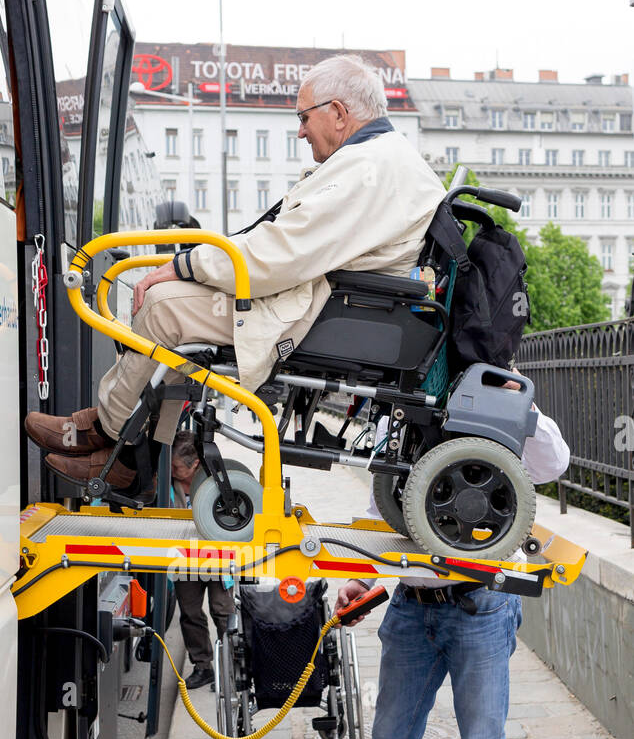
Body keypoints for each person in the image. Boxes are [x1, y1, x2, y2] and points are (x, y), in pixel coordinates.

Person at [23, 54, 446, 494]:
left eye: (304, 117)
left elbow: (278, 255)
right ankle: (130, 450)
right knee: (174, 315)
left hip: (324, 313)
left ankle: (110, 437)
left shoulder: (370, 169)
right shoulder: (378, 160)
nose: (300, 131)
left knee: (164, 308)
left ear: (338, 113)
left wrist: (184, 263)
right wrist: (195, 265)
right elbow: (286, 246)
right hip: (335, 305)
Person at [305, 389, 571, 739]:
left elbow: (553, 463)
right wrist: (361, 579)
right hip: (411, 605)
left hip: (480, 608)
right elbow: (382, 507)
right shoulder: (408, 413)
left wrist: (516, 400)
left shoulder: (497, 407)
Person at [170, 430, 235, 690]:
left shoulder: (216, 483)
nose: (172, 471)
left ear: (195, 464)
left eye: (176, 467)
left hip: (216, 556)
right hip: (183, 558)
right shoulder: (168, 483)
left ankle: (230, 667)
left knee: (223, 610)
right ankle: (202, 667)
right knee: (190, 613)